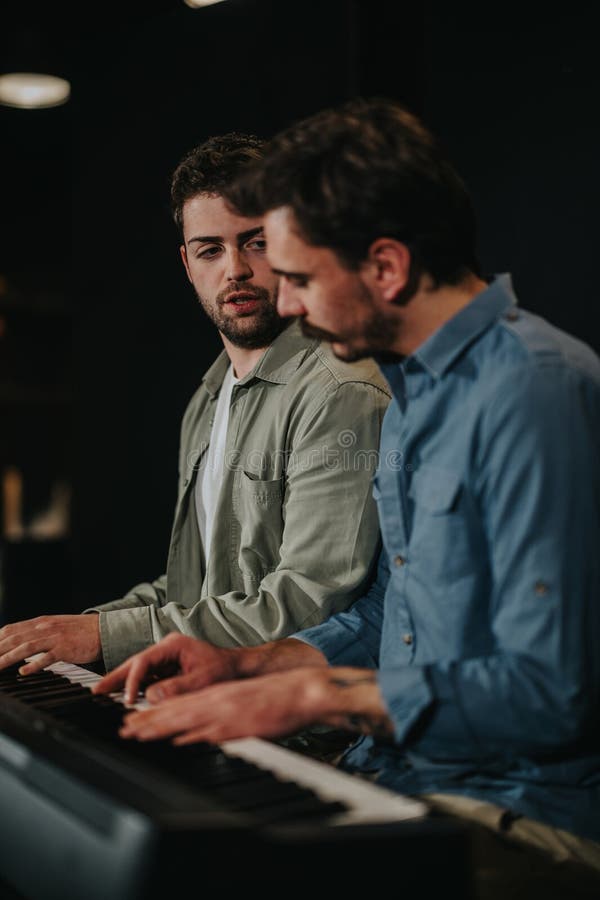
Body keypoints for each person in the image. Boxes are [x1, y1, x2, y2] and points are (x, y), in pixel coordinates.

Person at [93, 100, 600, 897]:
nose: (283, 303)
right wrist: (247, 662)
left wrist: (312, 694)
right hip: (398, 776)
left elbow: (547, 695)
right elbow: (384, 619)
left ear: (388, 268)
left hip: (517, 811)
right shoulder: (415, 397)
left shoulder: (531, 389)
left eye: (296, 276)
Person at [0, 132, 391, 677]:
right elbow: (195, 590)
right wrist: (68, 632)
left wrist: (102, 635)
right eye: (211, 249)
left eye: (256, 242)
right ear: (187, 265)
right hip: (211, 697)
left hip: (304, 731)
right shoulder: (207, 399)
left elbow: (305, 607)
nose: (235, 269)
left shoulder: (340, 391)